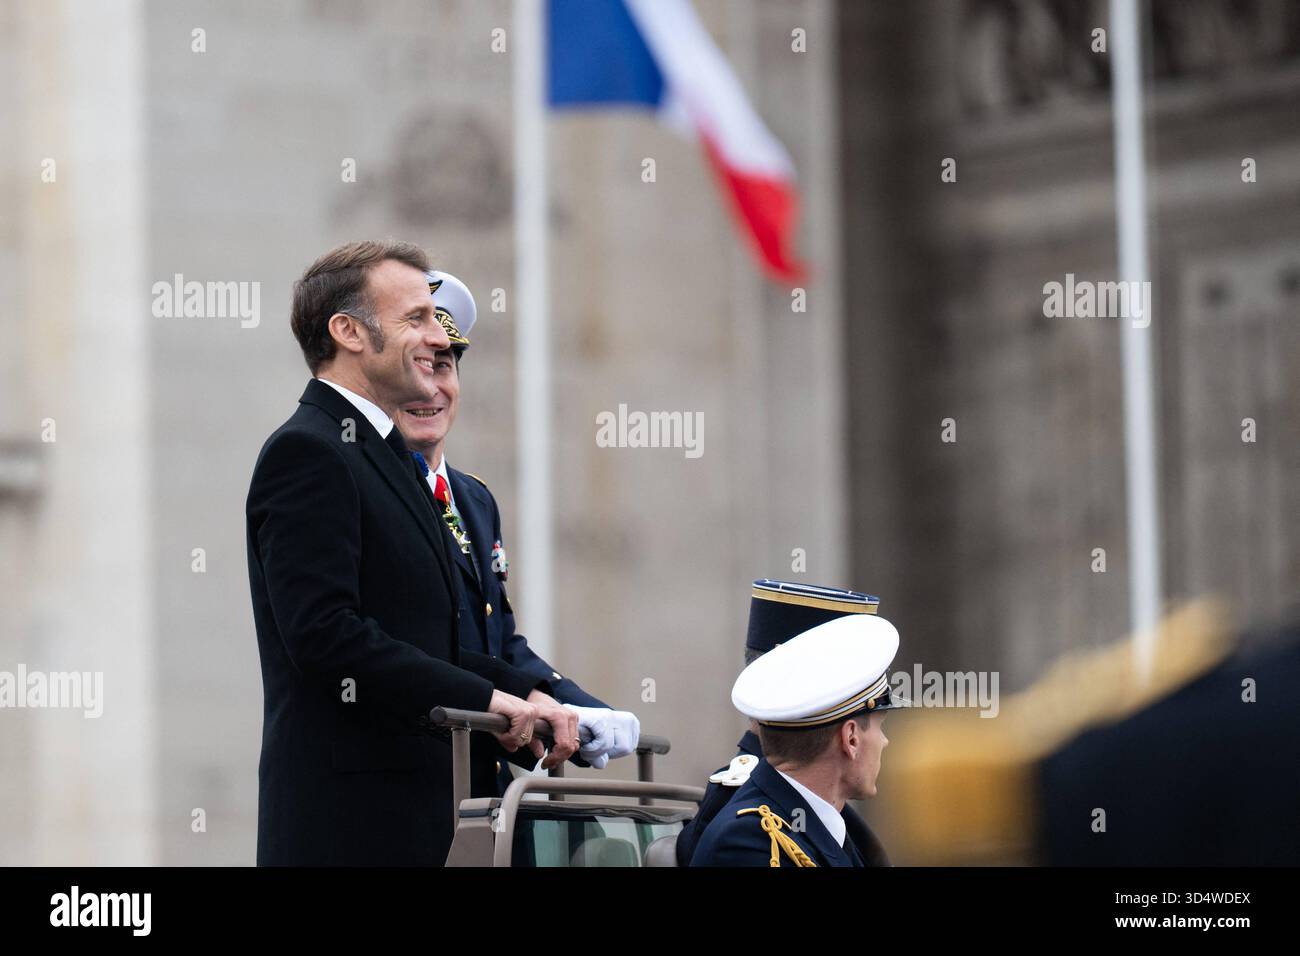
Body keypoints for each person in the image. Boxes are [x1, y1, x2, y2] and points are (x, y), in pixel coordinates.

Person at [246, 240, 578, 866]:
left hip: (435, 823)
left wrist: (530, 696)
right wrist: (485, 701)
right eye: (416, 318)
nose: (434, 335)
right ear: (347, 331)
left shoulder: (392, 462)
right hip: (356, 831)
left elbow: (436, 642)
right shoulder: (310, 452)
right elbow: (325, 635)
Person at [393, 271, 640, 788]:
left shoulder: (474, 498)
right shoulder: (376, 491)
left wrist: (577, 704)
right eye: (414, 369)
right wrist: (529, 695)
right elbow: (410, 643)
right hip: (410, 774)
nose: (429, 388)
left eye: (443, 367)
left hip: (481, 777)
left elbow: (497, 638)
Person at [676, 579, 891, 865]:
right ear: (850, 738)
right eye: (879, 726)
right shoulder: (749, 841)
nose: (885, 741)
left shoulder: (822, 822)